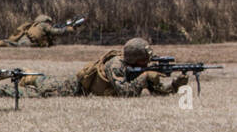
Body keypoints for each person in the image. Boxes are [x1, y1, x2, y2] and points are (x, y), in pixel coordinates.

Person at [20, 37, 189, 97]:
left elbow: (158, 92)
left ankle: (33, 78)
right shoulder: (116, 65)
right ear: (137, 59)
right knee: (42, 89)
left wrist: (175, 85)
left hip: (85, 90)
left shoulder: (137, 68)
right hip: (74, 88)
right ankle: (30, 77)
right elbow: (124, 92)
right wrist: (145, 77)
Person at [0, 14, 82, 48]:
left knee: (3, 43)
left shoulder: (33, 25)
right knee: (3, 44)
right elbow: (55, 32)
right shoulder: (43, 25)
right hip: (27, 43)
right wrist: (68, 29)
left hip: (23, 40)